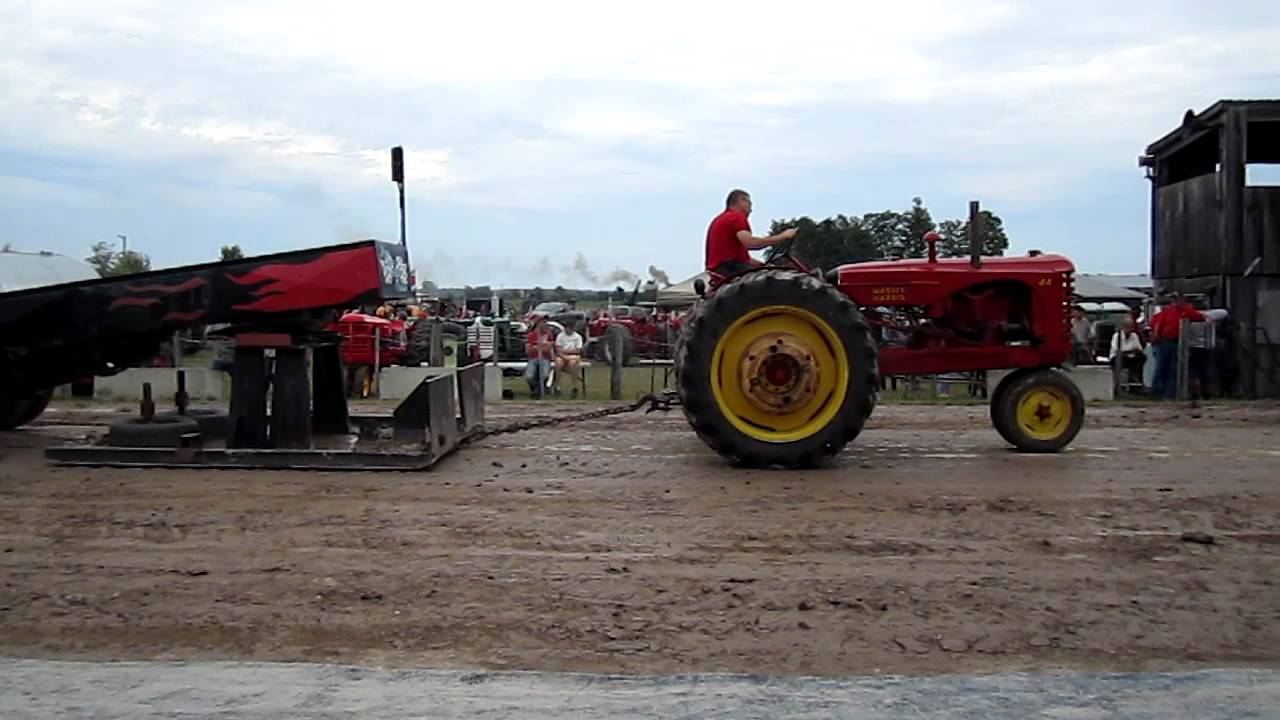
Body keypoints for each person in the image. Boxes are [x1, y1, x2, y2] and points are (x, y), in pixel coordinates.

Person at [704, 189, 797, 275]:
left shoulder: (719, 220)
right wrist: (783, 236)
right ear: (741, 201)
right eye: (750, 204)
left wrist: (764, 266)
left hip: (720, 270)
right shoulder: (736, 217)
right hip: (730, 268)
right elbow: (750, 243)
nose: (751, 210)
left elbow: (744, 259)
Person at [1149, 293, 1206, 399]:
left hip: (1178, 342)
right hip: (1164, 341)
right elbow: (1155, 326)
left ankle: (1169, 394)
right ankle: (1157, 393)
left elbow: (1201, 317)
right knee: (1161, 367)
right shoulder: (1166, 312)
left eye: (1178, 299)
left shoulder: (1186, 311)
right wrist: (1155, 338)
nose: (1176, 301)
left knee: (1173, 369)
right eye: (1173, 299)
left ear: (1182, 299)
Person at [524, 314, 556, 398]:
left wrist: (536, 347)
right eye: (543, 322)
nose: (545, 324)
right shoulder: (531, 335)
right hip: (533, 358)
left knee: (545, 375)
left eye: (546, 322)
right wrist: (541, 347)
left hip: (545, 358)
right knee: (529, 376)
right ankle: (537, 390)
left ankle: (536, 392)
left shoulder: (549, 335)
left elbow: (548, 350)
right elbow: (528, 350)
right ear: (538, 323)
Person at [1109, 317, 1145, 388]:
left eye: (1132, 327)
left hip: (1131, 357)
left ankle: (1134, 379)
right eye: (1129, 327)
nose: (1131, 329)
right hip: (1117, 357)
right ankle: (1119, 384)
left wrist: (1130, 351)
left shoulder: (1134, 336)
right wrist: (1130, 351)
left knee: (1142, 357)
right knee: (1122, 357)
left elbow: (1139, 349)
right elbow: (1117, 350)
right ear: (1124, 327)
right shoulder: (1117, 336)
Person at [554, 322, 585, 399]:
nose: (568, 330)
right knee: (558, 363)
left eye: (570, 328)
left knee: (572, 363)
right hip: (561, 356)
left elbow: (578, 350)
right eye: (566, 328)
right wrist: (564, 354)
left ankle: (575, 386)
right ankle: (557, 386)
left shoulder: (578, 337)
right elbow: (558, 350)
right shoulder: (560, 336)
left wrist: (565, 351)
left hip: (574, 356)